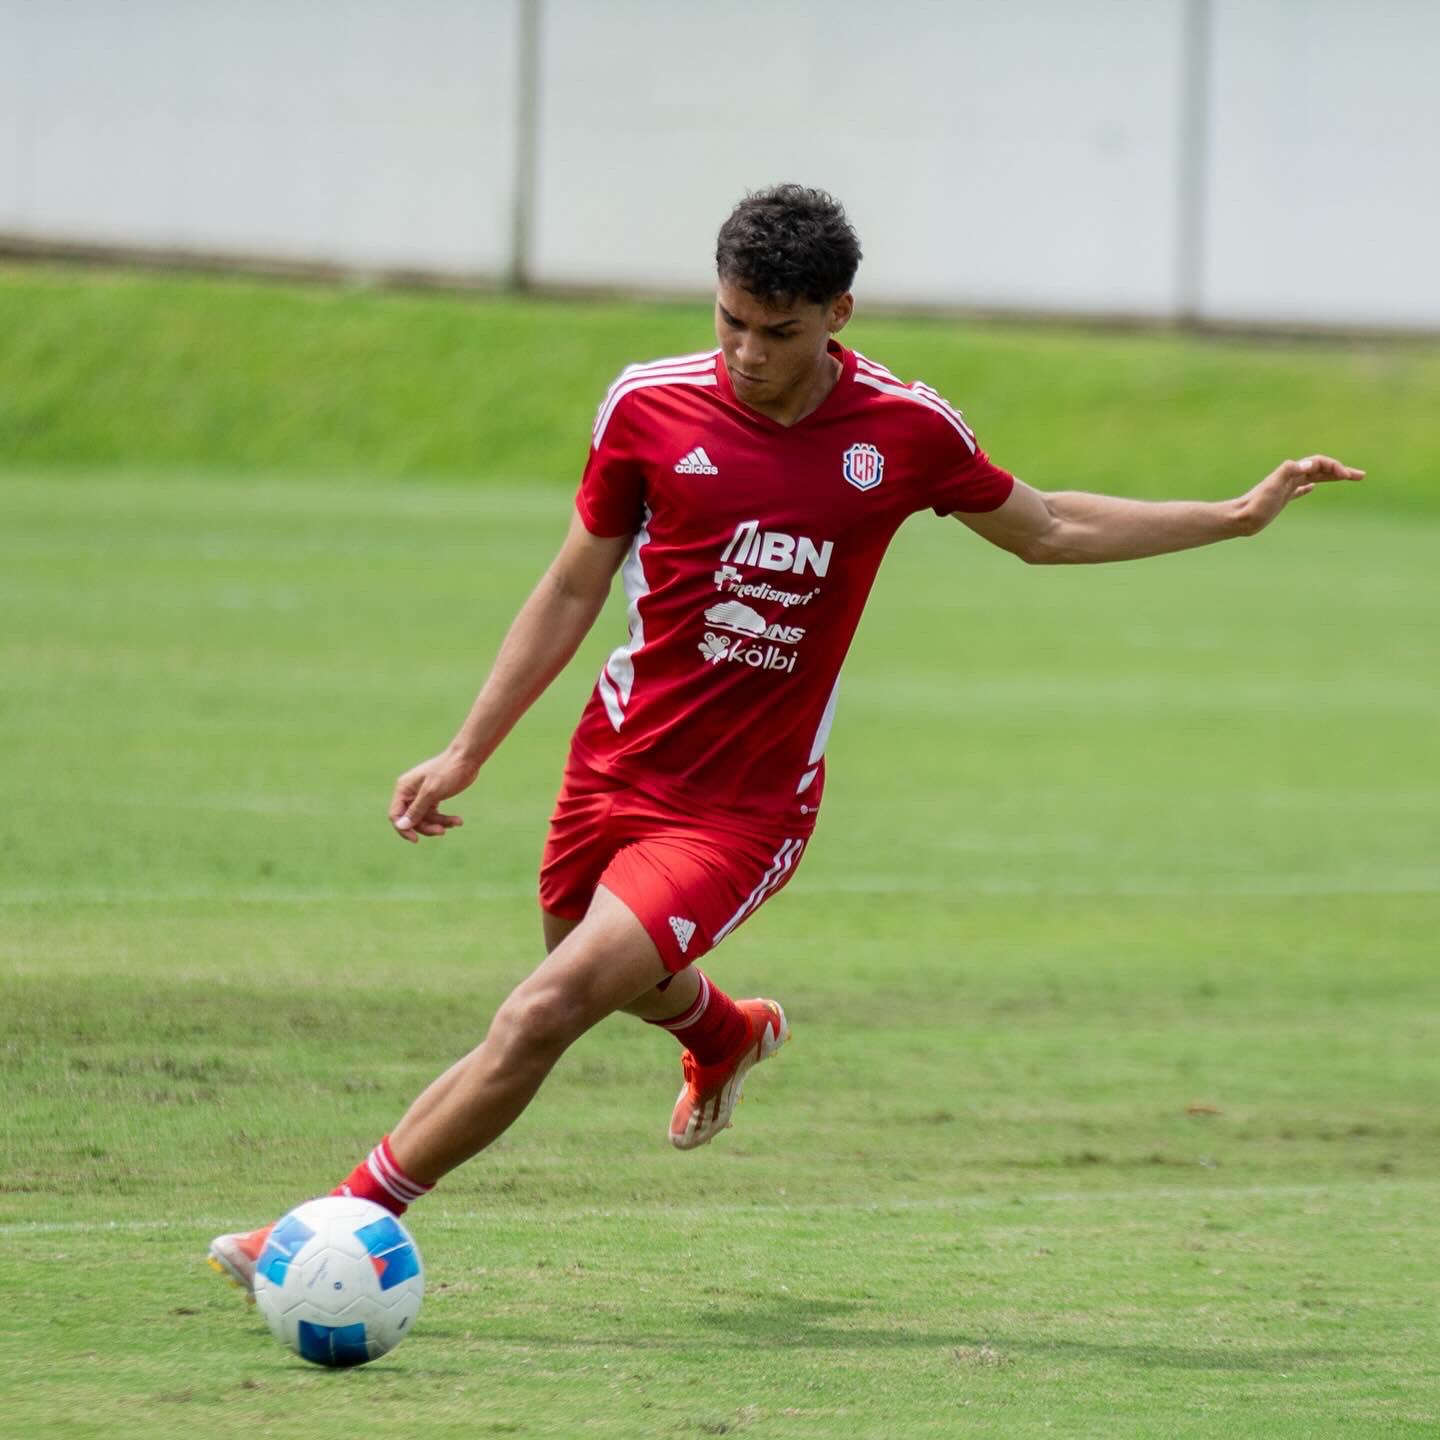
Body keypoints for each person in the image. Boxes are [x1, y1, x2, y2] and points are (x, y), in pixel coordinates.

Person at [209, 183, 1363, 1292]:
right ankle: (724, 1031)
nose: (747, 352)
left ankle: (331, 1229)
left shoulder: (903, 432)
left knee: (543, 1008)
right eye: (730, 319)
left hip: (742, 809)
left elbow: (1049, 525)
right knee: (592, 965)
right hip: (612, 764)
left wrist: (1236, 514)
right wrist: (467, 750)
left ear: (837, 317)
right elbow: (571, 585)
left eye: (778, 331)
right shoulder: (647, 406)